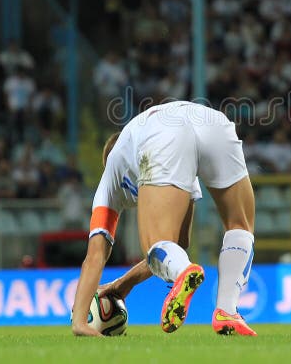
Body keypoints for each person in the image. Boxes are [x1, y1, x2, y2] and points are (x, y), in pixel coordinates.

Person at [70, 100, 257, 337]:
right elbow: (180, 242)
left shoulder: (110, 176)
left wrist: (79, 321)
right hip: (213, 121)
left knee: (156, 243)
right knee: (240, 225)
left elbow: (95, 255)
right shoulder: (145, 140)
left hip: (163, 132)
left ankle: (183, 272)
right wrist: (123, 284)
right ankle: (227, 311)